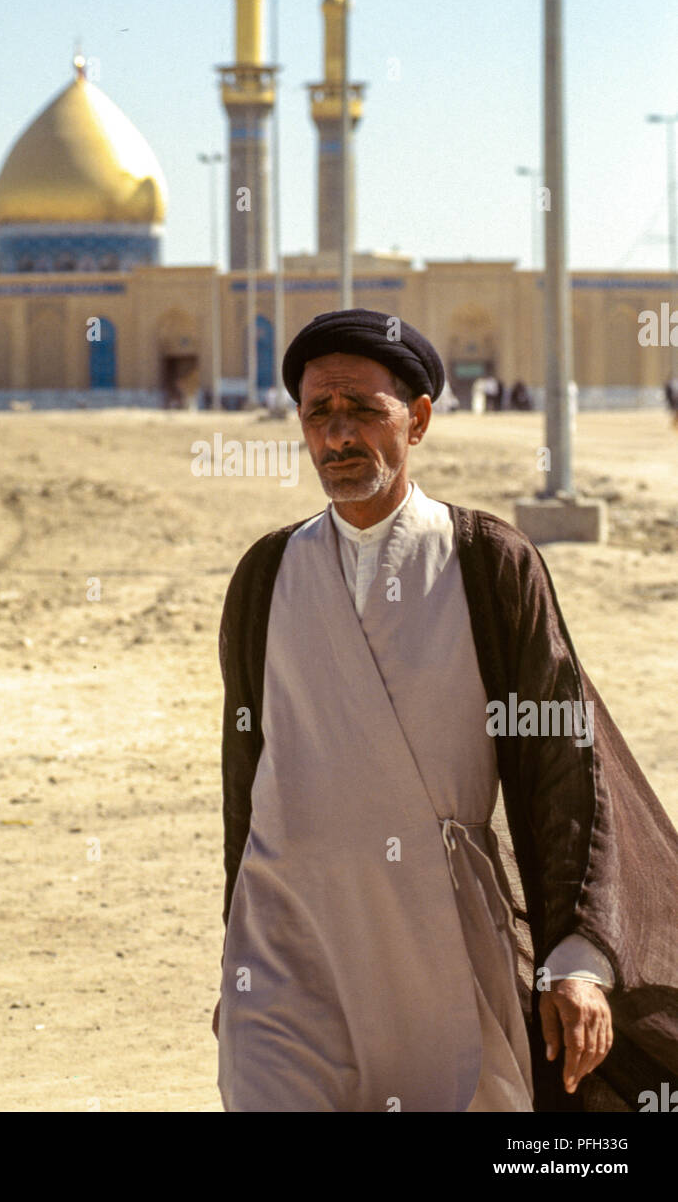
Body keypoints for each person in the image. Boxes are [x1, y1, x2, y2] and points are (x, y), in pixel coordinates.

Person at [214, 308, 678, 1113]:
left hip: (437, 933)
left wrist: (577, 955)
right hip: (288, 936)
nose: (338, 434)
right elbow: (245, 782)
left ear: (418, 418)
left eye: (363, 408)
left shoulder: (487, 562)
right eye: (319, 412)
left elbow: (563, 764)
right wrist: (238, 962)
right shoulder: (265, 575)